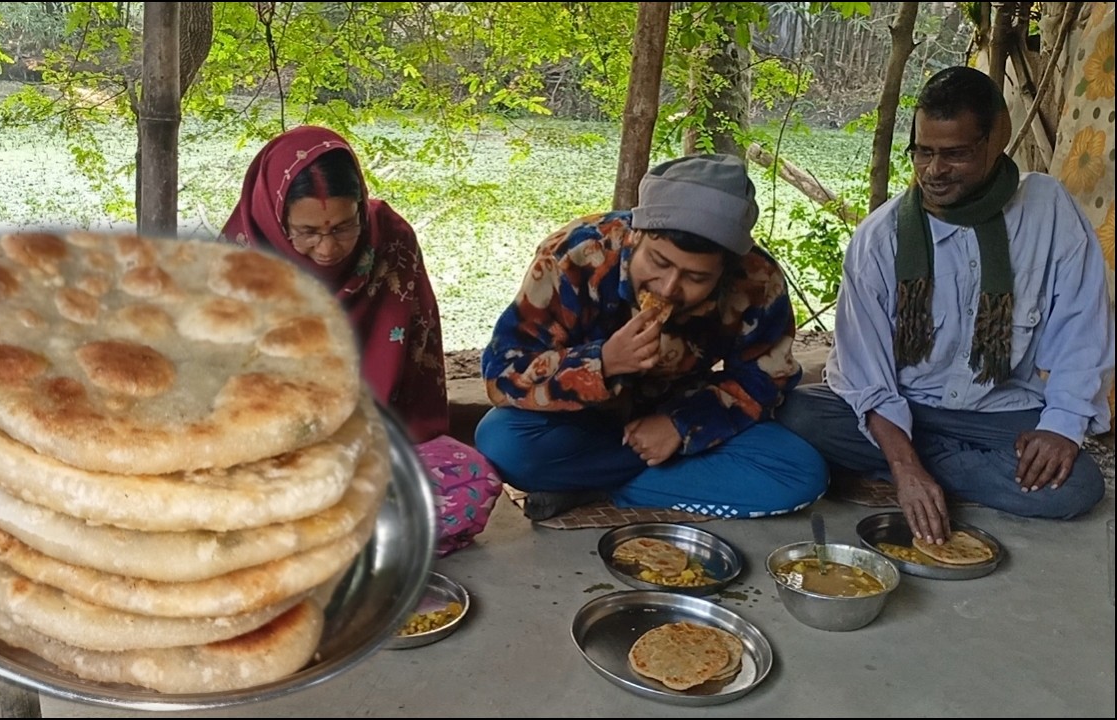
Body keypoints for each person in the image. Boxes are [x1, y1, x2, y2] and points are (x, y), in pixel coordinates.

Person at [777, 66, 1113, 545]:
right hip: (903, 411)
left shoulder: (1048, 211)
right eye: (924, 152)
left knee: (1077, 486)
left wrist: (1060, 428)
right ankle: (920, 471)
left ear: (998, 137)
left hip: (1001, 413)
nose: (934, 171)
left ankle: (910, 470)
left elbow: (1083, 330)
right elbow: (866, 377)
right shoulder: (879, 238)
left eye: (955, 154)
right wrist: (905, 463)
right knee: (796, 414)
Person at [474, 153, 829, 521]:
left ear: (726, 269)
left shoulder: (757, 279)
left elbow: (768, 377)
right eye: (658, 263)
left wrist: (682, 425)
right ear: (637, 233)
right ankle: (624, 479)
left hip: (682, 413)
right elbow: (502, 373)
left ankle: (593, 484)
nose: (670, 287)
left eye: (697, 278)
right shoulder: (574, 256)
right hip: (582, 423)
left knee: (800, 473)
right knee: (502, 443)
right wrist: (603, 363)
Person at [221, 125, 503, 556]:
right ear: (278, 221)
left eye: (343, 228)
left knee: (471, 481)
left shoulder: (391, 243)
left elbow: (415, 365)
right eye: (308, 231)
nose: (328, 249)